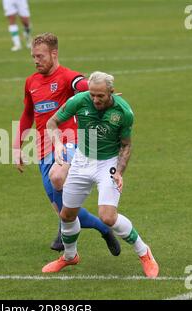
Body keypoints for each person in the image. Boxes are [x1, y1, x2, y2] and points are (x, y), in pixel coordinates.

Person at [13, 33, 120, 256]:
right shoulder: (31, 82)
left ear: (54, 54)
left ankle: (68, 243)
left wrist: (104, 93)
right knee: (65, 211)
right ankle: (104, 229)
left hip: (68, 143)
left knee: (58, 176)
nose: (36, 60)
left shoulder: (66, 77)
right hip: (43, 149)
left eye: (40, 56)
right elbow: (27, 115)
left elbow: (81, 84)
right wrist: (16, 146)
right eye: (33, 56)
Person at [43, 71, 159, 278]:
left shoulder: (124, 112)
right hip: (81, 160)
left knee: (108, 217)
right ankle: (70, 257)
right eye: (92, 95)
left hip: (107, 163)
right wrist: (58, 143)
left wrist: (120, 173)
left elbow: (126, 145)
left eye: (100, 96)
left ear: (111, 93)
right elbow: (52, 123)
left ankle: (144, 252)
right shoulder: (79, 100)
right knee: (66, 214)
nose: (95, 100)